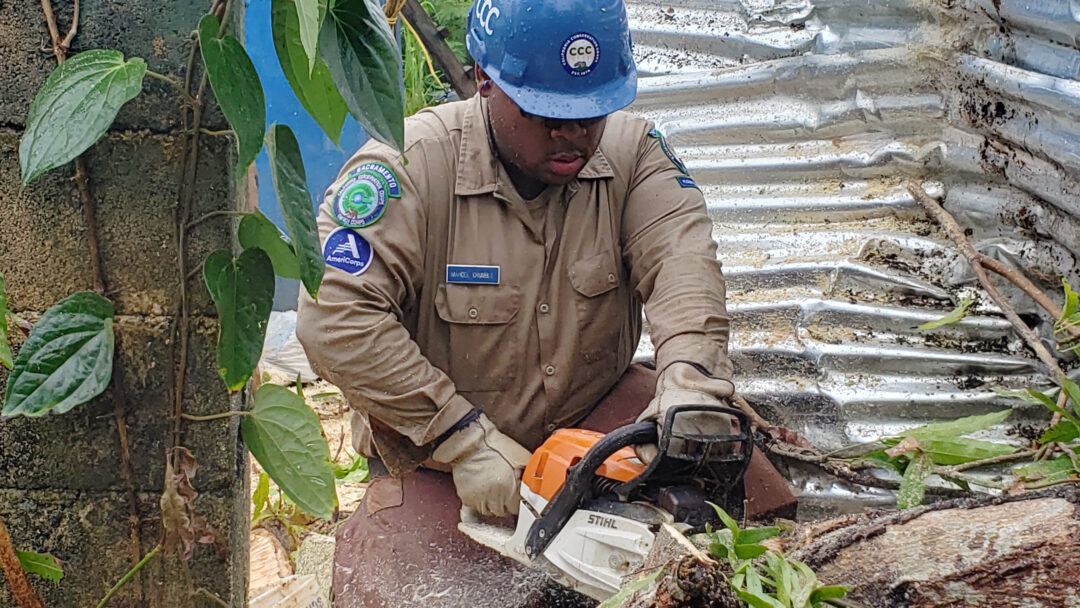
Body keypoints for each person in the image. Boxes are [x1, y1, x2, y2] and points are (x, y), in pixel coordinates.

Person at [296, 0, 796, 605]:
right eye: (546, 114)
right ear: (485, 81)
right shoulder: (408, 167)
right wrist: (462, 437)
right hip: (444, 462)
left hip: (598, 421)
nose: (573, 135)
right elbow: (334, 318)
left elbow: (682, 262)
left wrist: (691, 381)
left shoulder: (635, 154)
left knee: (754, 524)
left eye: (590, 114)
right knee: (402, 587)